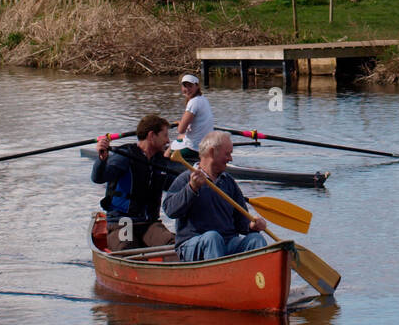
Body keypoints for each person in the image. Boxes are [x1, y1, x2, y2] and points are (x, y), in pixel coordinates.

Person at [163, 131, 268, 262]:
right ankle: (218, 279)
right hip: (192, 243)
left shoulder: (228, 182)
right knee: (213, 238)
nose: (231, 159)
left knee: (256, 240)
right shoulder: (185, 179)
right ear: (212, 152)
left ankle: (259, 279)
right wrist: (192, 188)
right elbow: (170, 210)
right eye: (227, 154)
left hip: (227, 243)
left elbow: (242, 221)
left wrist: (252, 226)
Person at [92, 114, 179, 251]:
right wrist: (101, 159)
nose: (168, 141)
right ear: (151, 136)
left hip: (149, 223)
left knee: (174, 245)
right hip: (122, 221)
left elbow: (175, 184)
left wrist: (196, 181)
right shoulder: (124, 156)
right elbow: (98, 178)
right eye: (165, 135)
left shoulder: (159, 161)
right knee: (128, 248)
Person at [174, 74, 215, 164]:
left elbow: (181, 129)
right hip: (206, 146)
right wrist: (183, 123)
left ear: (197, 86)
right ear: (181, 87)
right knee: (180, 137)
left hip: (194, 149)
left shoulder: (193, 103)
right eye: (185, 86)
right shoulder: (203, 99)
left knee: (168, 150)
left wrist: (181, 124)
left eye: (190, 86)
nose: (187, 89)